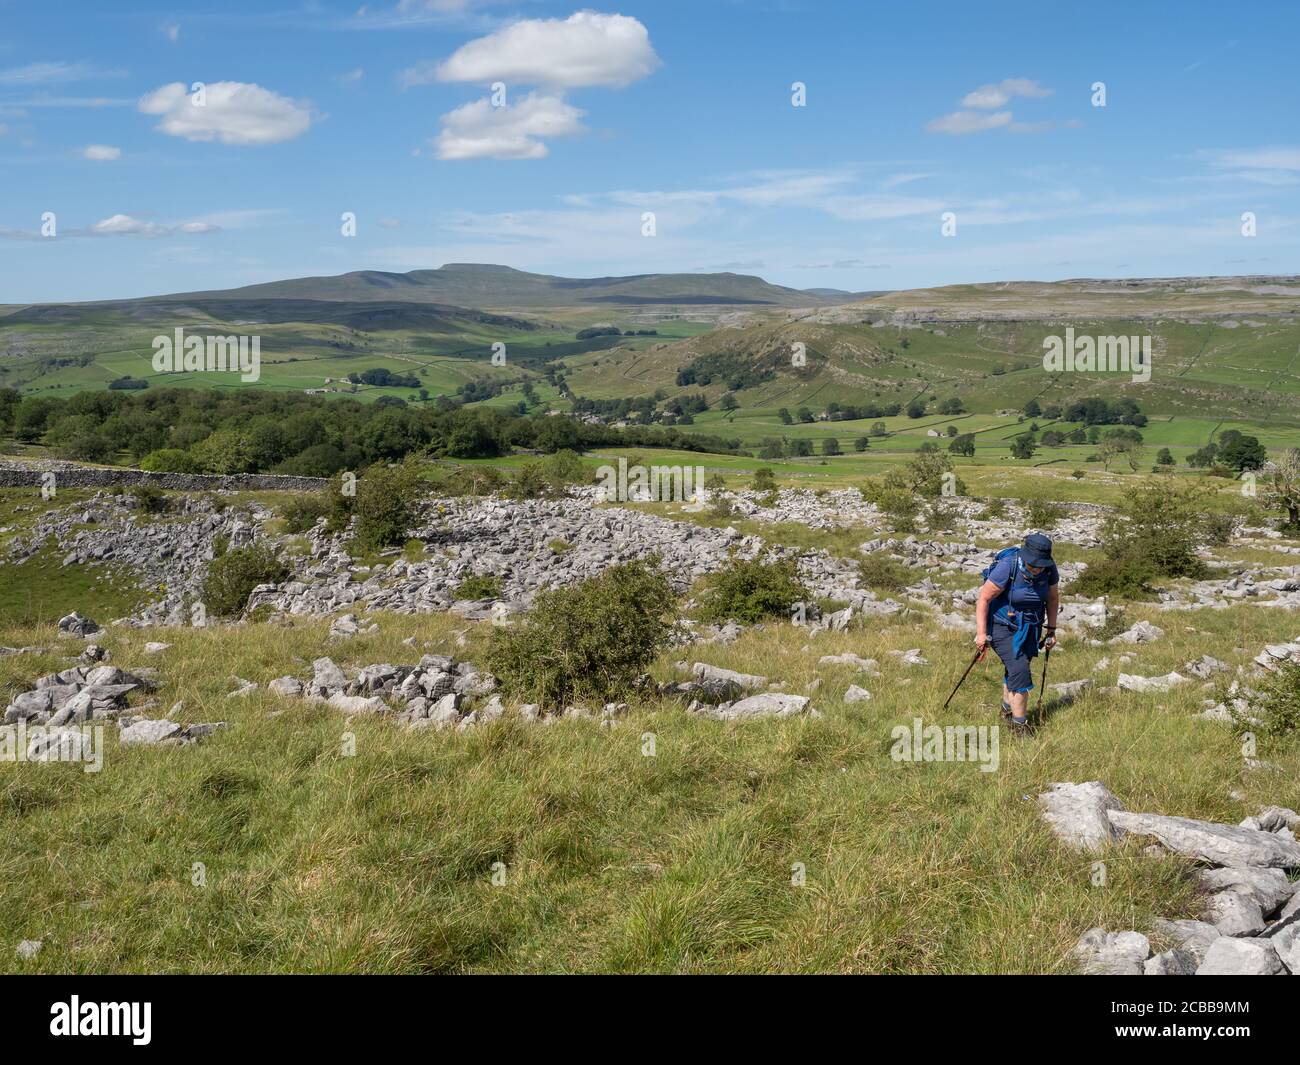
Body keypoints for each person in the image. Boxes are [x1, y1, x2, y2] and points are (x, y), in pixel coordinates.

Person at [973, 532, 1059, 733]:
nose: (1036, 568)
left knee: (1015, 668)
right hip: (1001, 625)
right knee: (1020, 670)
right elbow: (984, 599)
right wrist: (981, 633)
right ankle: (1019, 726)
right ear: (1025, 557)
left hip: (1031, 626)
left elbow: (1052, 599)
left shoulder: (1049, 570)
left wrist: (1051, 630)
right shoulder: (1008, 566)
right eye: (1032, 564)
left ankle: (1006, 711)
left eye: (1040, 564)